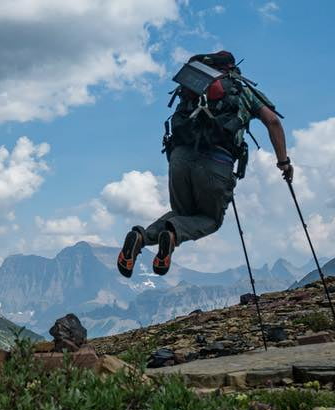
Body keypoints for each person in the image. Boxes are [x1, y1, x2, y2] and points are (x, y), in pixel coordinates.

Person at [117, 50, 293, 278]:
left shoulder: (194, 87)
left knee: (183, 213)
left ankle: (141, 238)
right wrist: (283, 162)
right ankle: (170, 236)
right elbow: (273, 122)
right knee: (210, 220)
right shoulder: (242, 90)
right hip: (216, 161)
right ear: (232, 68)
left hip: (179, 158)